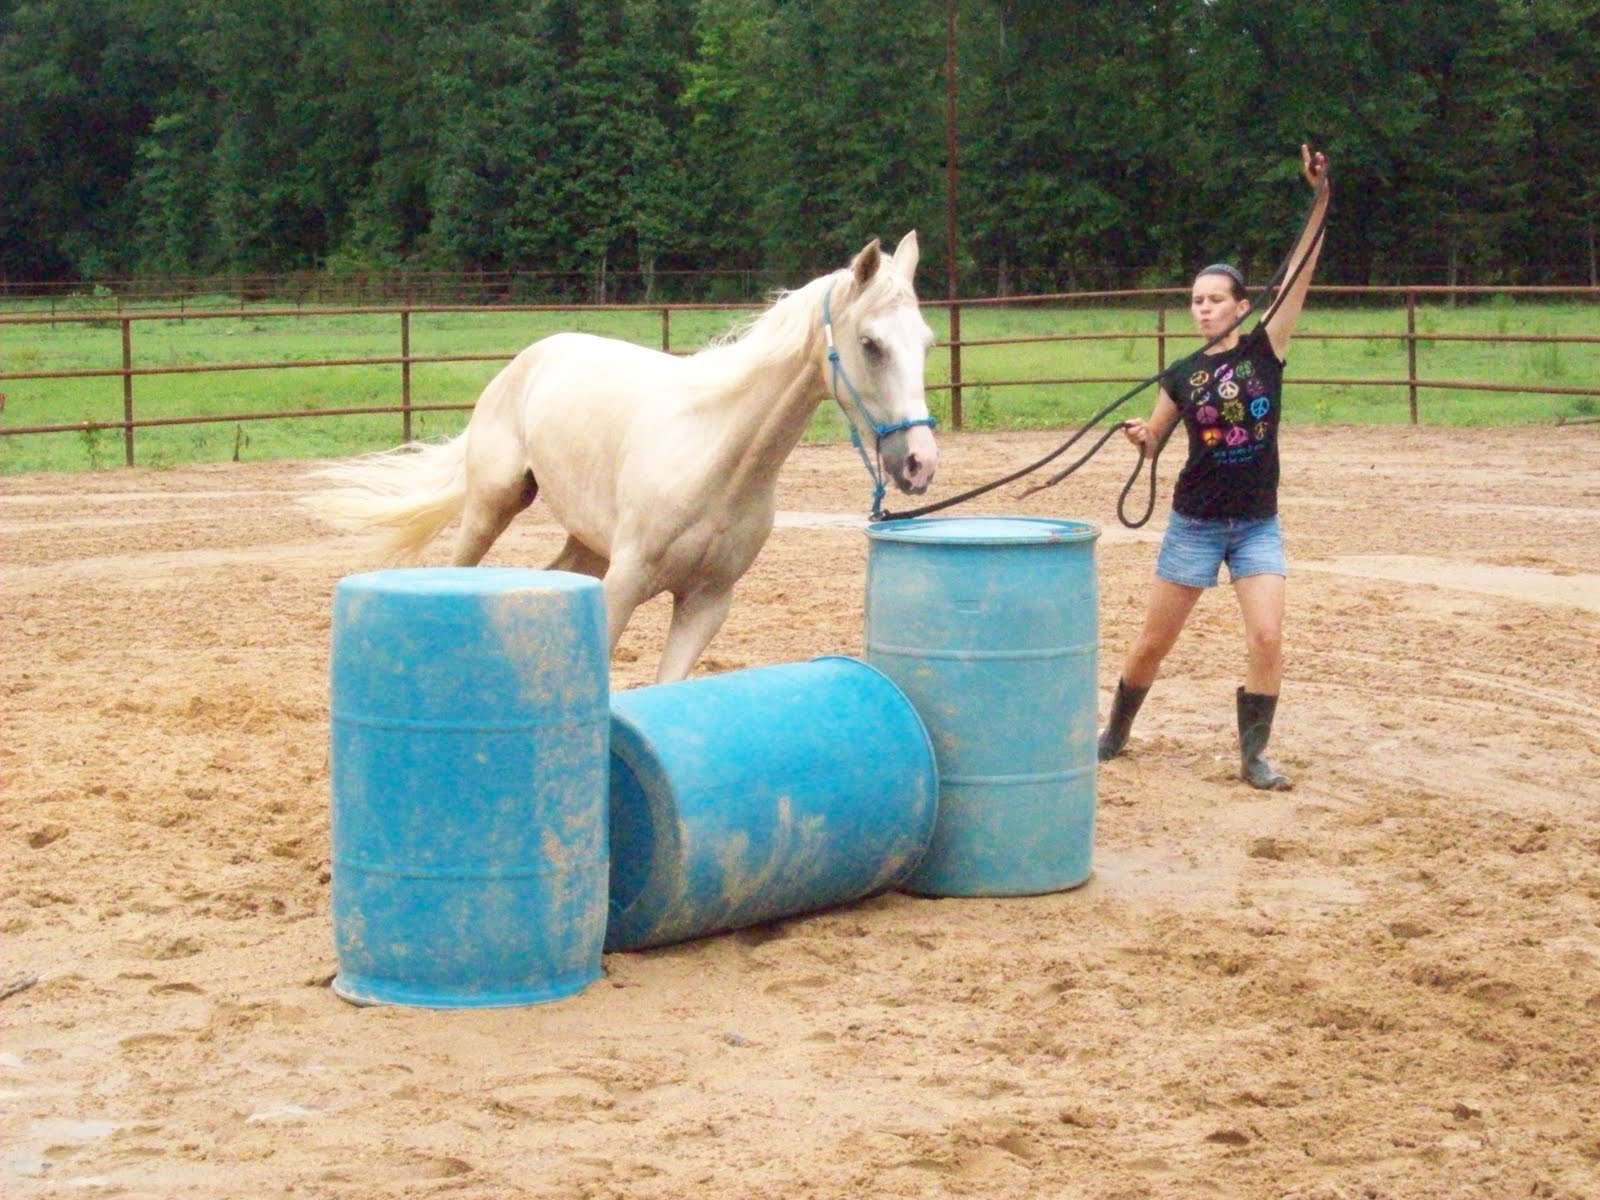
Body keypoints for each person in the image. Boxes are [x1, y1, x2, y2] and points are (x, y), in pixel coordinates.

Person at [1097, 144, 1331, 789]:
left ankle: (1253, 756)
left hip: (1257, 524)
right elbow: (1155, 443)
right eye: (1195, 300)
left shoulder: (1266, 349)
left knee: (1267, 638)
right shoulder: (1181, 374)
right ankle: (1114, 732)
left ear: (1239, 304)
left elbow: (1301, 271)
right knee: (1153, 644)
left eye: (1213, 300)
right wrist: (1142, 436)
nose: (1202, 308)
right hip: (1195, 522)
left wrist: (1320, 197)